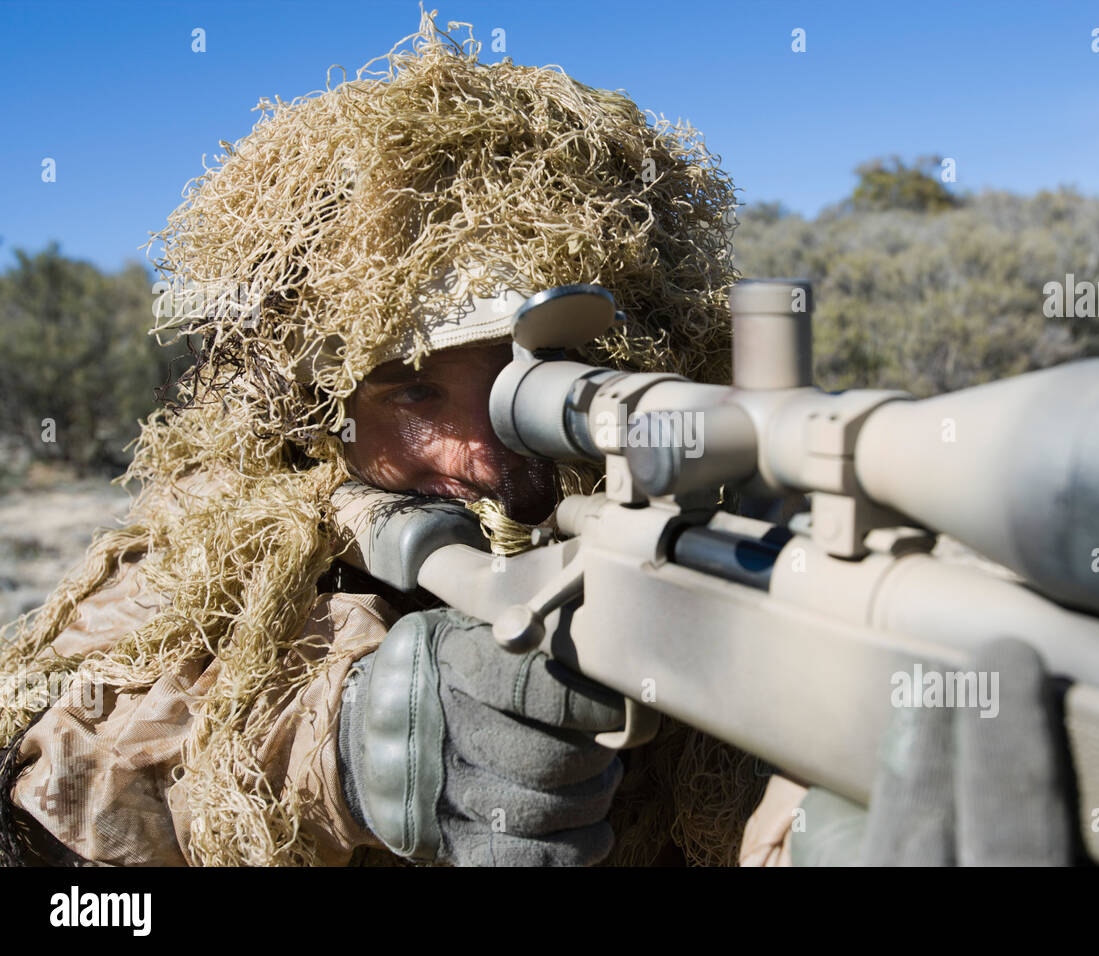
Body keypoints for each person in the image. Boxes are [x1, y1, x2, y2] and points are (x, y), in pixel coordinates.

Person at [0, 12, 770, 867]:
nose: (482, 452)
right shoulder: (225, 539)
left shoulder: (678, 516)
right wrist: (357, 747)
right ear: (320, 403)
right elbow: (58, 752)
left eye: (540, 381)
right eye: (415, 390)